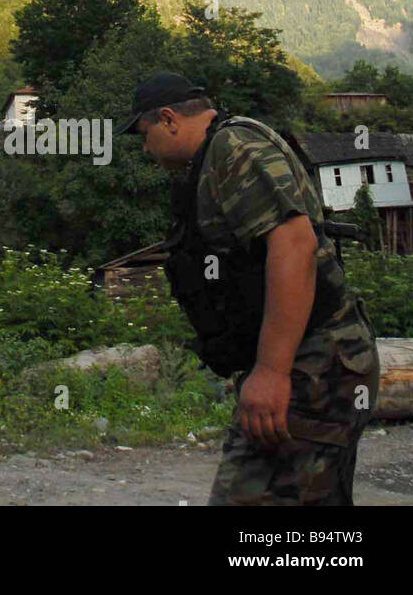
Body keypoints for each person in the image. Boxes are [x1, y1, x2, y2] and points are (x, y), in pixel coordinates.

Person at [118, 71, 380, 506]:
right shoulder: (218, 155)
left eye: (144, 135)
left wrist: (273, 372)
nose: (146, 149)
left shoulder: (233, 148)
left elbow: (294, 244)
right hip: (319, 365)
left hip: (312, 366)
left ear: (168, 119)